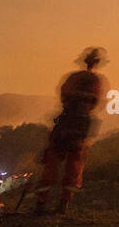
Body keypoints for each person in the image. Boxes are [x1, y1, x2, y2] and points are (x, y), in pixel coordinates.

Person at [35, 46, 107, 215]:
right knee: (74, 164)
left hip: (66, 121)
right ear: (96, 63)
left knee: (53, 161)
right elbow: (95, 102)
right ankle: (63, 204)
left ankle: (42, 203)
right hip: (79, 124)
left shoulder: (73, 78)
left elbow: (64, 94)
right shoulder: (96, 82)